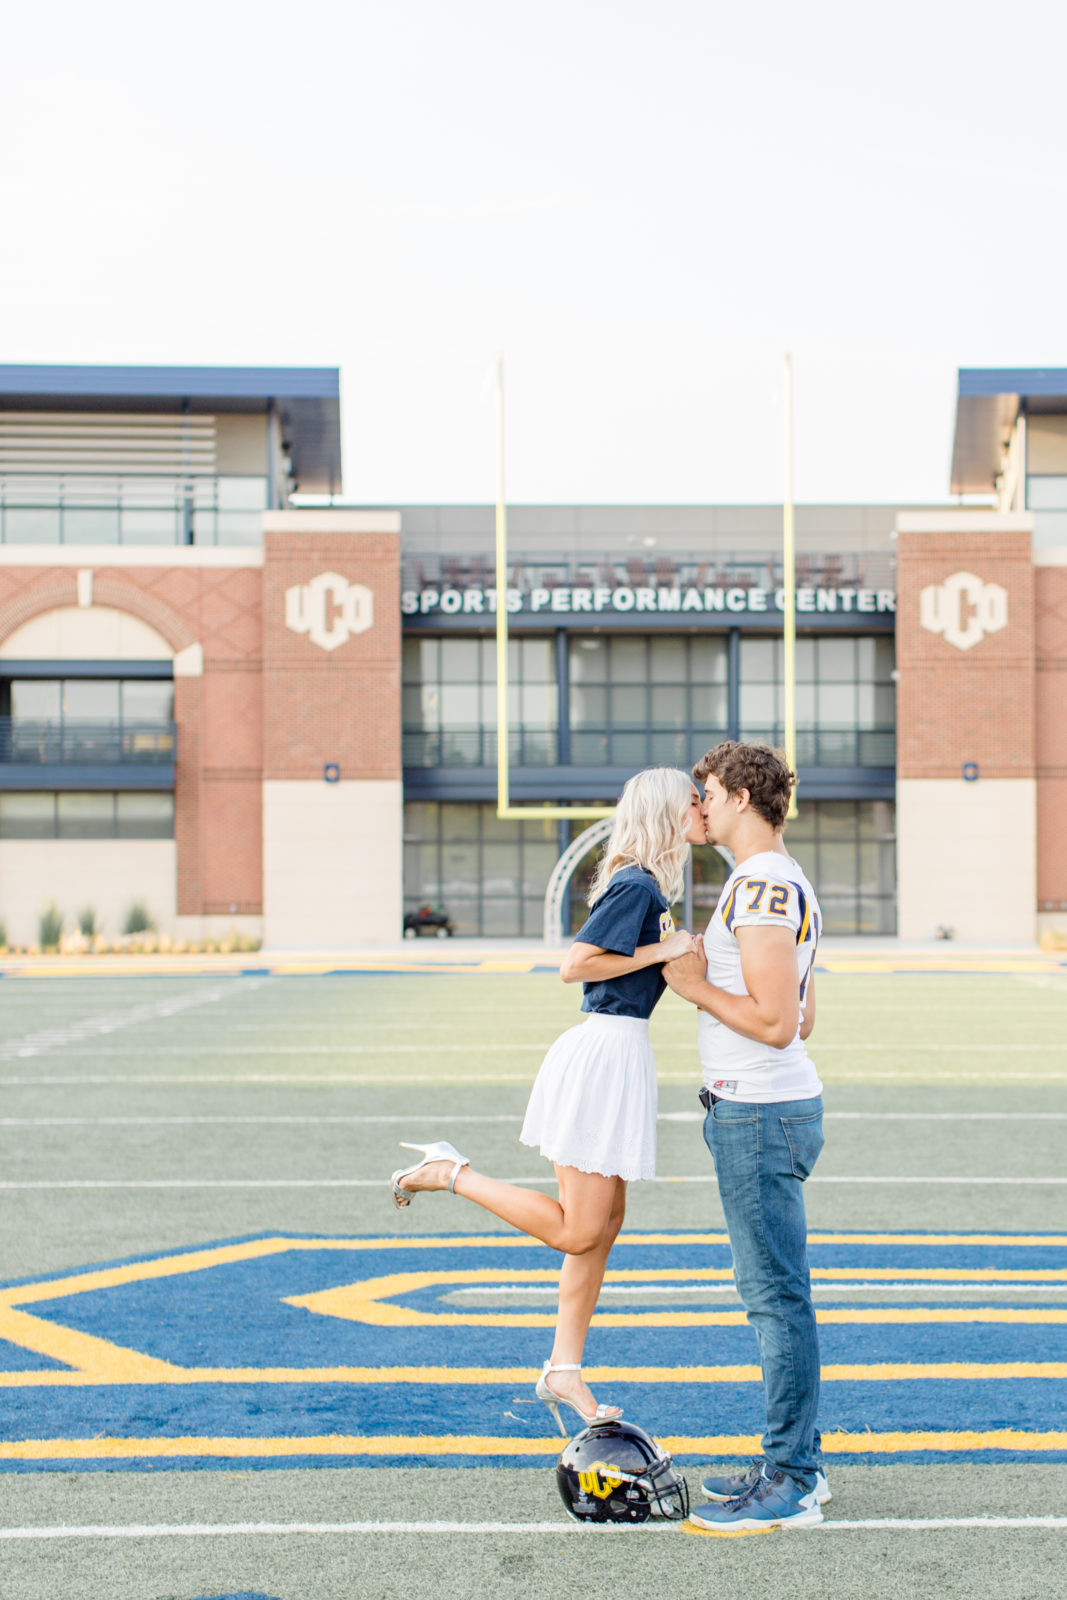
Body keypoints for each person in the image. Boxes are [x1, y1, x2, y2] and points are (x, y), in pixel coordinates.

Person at [389, 766, 706, 1434]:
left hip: (622, 1055)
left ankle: (564, 1368)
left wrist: (675, 950)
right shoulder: (634, 883)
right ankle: (451, 1172)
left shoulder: (648, 885)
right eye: (692, 804)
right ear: (666, 814)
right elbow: (576, 964)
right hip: (601, 1054)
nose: (701, 813)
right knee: (578, 1228)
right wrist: (664, 946)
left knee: (603, 1226)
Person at [662, 741, 827, 1534]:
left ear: (734, 795)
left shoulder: (760, 883)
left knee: (775, 1301)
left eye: (704, 792)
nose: (696, 806)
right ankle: (794, 1463)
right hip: (771, 1107)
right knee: (776, 1296)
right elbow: (801, 1013)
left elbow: (772, 1023)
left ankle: (792, 1479)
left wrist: (694, 987)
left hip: (759, 1112)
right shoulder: (774, 877)